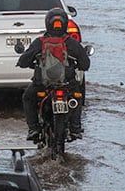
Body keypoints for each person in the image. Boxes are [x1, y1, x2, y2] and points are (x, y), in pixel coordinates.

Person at [16, 8, 91, 142]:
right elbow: (85, 65)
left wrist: (29, 63)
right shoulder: (72, 43)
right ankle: (75, 128)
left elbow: (23, 61)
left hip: (42, 85)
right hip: (68, 85)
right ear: (65, 24)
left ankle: (33, 129)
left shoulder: (39, 42)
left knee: (28, 98)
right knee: (77, 98)